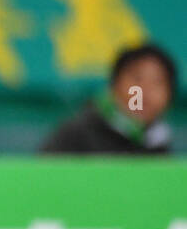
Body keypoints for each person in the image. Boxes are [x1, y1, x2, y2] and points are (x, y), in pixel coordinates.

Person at [41, 44, 176, 155]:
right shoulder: (76, 134)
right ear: (114, 85)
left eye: (157, 82)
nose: (145, 92)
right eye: (137, 79)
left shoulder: (159, 143)